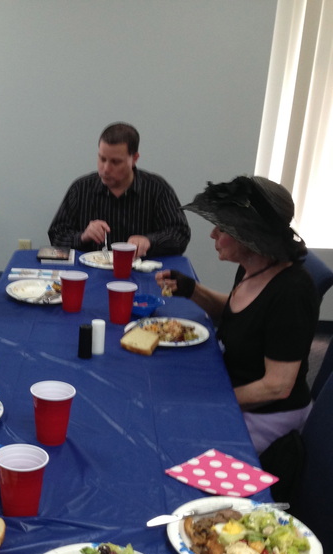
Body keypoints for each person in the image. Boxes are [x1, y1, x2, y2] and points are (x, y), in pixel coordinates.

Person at [155, 175, 319, 455]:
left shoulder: (292, 292)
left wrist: (212, 401)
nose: (213, 234)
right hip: (237, 390)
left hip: (269, 416)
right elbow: (237, 312)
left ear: (250, 234)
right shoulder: (252, 267)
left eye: (223, 227)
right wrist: (191, 289)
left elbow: (277, 387)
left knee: (172, 443)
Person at [48, 122, 190, 257]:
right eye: (102, 159)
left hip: (140, 273)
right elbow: (56, 235)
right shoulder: (81, 189)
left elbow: (180, 234)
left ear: (134, 158)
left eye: (115, 162)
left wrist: (149, 241)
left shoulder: (157, 189)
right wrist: (83, 236)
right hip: (91, 273)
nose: (106, 169)